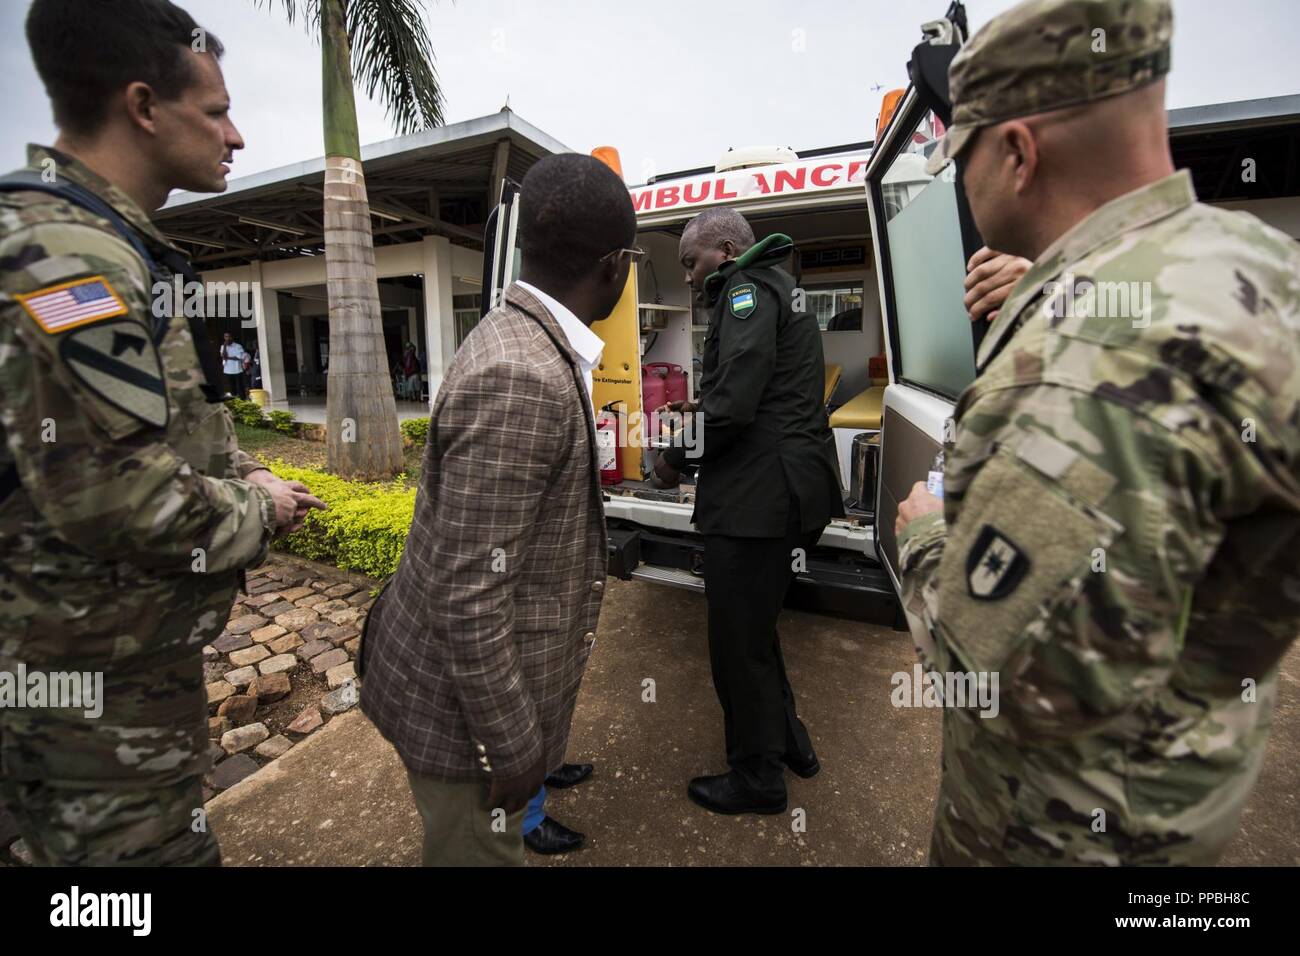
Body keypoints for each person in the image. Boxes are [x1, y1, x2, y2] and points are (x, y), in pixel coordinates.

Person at [894, 0, 1300, 865]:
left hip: (1057, 831)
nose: (958, 183)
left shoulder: (1086, 360)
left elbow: (999, 675)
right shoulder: (1256, 267)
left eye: (960, 157)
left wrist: (924, 537)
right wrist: (1054, 280)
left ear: (1016, 153)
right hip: (1184, 794)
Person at [0, 0, 325, 866]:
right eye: (216, 111)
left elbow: (167, 430)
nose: (238, 136)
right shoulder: (69, 261)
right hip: (87, 702)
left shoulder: (111, 249)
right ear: (143, 107)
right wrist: (257, 509)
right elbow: (115, 492)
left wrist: (249, 469)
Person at [358, 153, 636, 866]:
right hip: (461, 727)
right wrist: (512, 749)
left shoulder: (520, 335)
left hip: (466, 704)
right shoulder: (522, 374)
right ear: (615, 266)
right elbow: (469, 592)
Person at [652, 209, 841, 815]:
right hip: (791, 493)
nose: (687, 277)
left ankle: (757, 778)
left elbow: (732, 407)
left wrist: (674, 459)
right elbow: (762, 392)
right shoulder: (786, 289)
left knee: (737, 644)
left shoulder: (745, 291)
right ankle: (791, 745)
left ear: (727, 249)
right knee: (756, 632)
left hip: (758, 503)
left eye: (691, 261)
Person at [220, 331, 248, 398]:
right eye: (226, 336)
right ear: (224, 338)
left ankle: (243, 400)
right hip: (228, 370)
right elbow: (223, 356)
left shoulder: (238, 346)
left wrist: (228, 357)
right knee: (232, 386)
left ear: (232, 337)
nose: (227, 338)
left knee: (240, 386)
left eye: (229, 336)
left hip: (237, 369)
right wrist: (224, 346)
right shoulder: (222, 346)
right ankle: (235, 399)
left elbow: (238, 357)